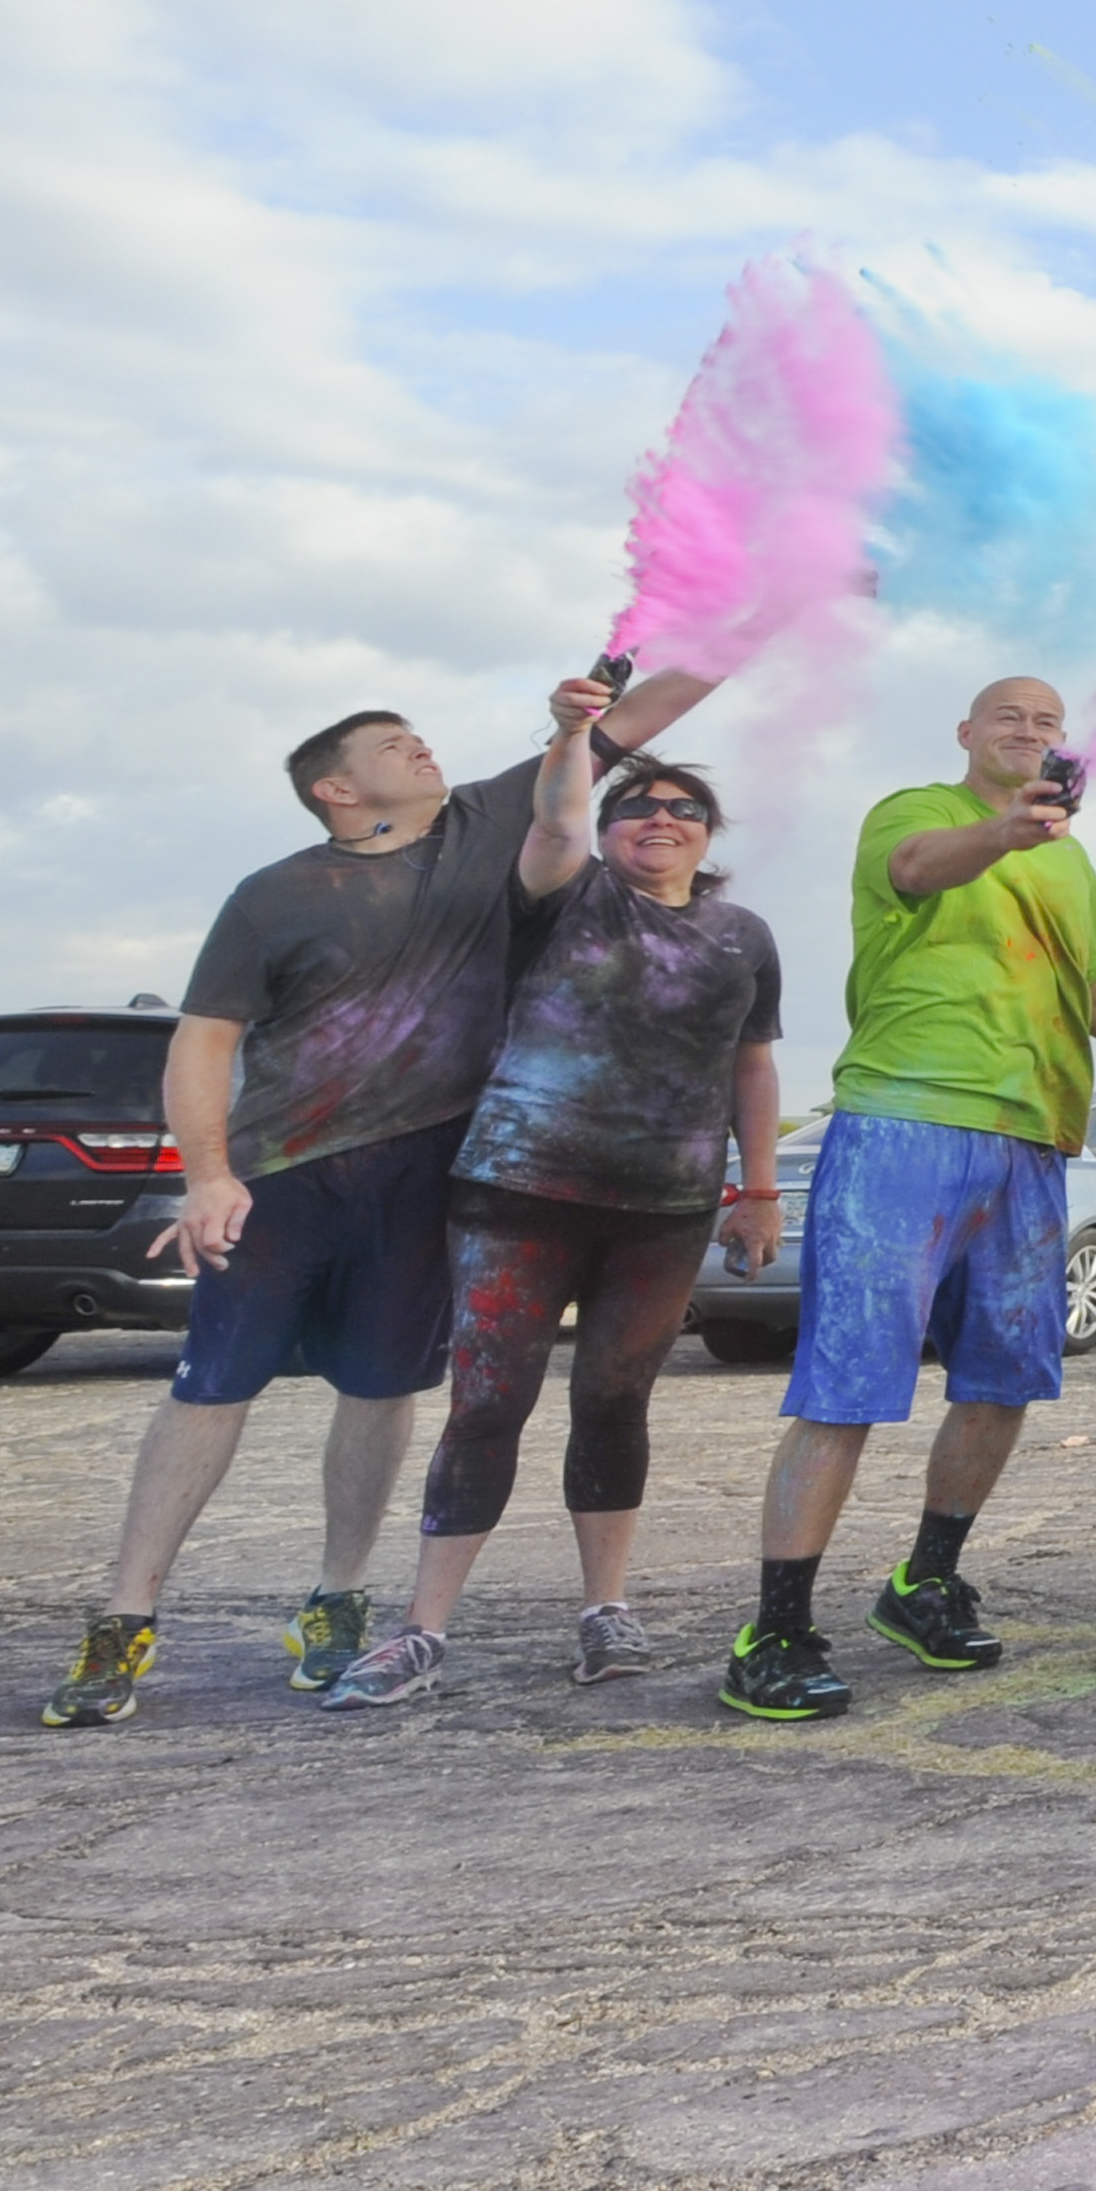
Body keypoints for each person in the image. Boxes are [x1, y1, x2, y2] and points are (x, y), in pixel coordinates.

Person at [48, 659, 724, 1730]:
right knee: (211, 1388)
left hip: (424, 1175)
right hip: (282, 1176)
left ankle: (338, 1601)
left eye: (417, 734)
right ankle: (124, 1620)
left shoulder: (480, 825)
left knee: (379, 1391)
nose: (419, 746)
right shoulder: (272, 895)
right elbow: (203, 1042)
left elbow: (639, 715)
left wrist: (779, 599)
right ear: (335, 788)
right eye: (389, 743)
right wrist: (208, 1175)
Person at [734, 676, 1096, 1719]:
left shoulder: (1071, 858)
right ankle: (774, 1631)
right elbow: (917, 868)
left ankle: (926, 1583)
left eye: (1047, 722)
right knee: (848, 1383)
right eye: (1009, 717)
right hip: (904, 1120)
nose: (1030, 732)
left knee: (1002, 1380)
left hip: (1033, 1136)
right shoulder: (917, 812)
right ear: (966, 733)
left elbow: (1088, 982)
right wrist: (1004, 832)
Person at [323, 717, 784, 1706]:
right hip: (519, 1193)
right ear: (607, 830)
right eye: (637, 807)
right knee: (488, 1404)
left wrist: (758, 1191)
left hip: (665, 1209)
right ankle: (422, 1629)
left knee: (615, 1402)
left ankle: (605, 1610)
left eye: (686, 809)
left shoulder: (743, 937)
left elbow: (752, 1064)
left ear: (709, 834)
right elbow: (555, 823)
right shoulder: (565, 896)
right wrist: (576, 733)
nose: (661, 819)